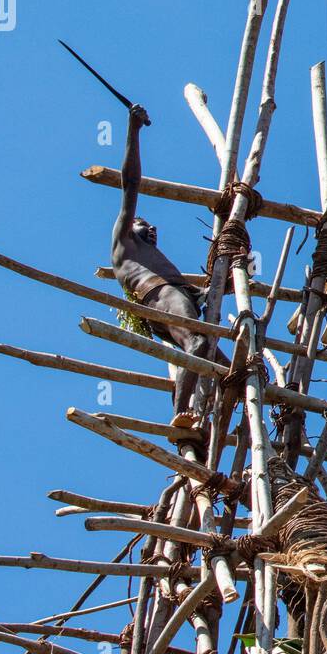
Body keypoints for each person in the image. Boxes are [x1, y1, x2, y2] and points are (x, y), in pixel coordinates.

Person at [111, 104, 222, 428]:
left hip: (175, 298)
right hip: (159, 297)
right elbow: (130, 182)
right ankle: (179, 417)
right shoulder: (124, 246)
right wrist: (133, 129)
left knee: (228, 369)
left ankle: (203, 423)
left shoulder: (154, 258)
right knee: (198, 344)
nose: (152, 229)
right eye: (144, 223)